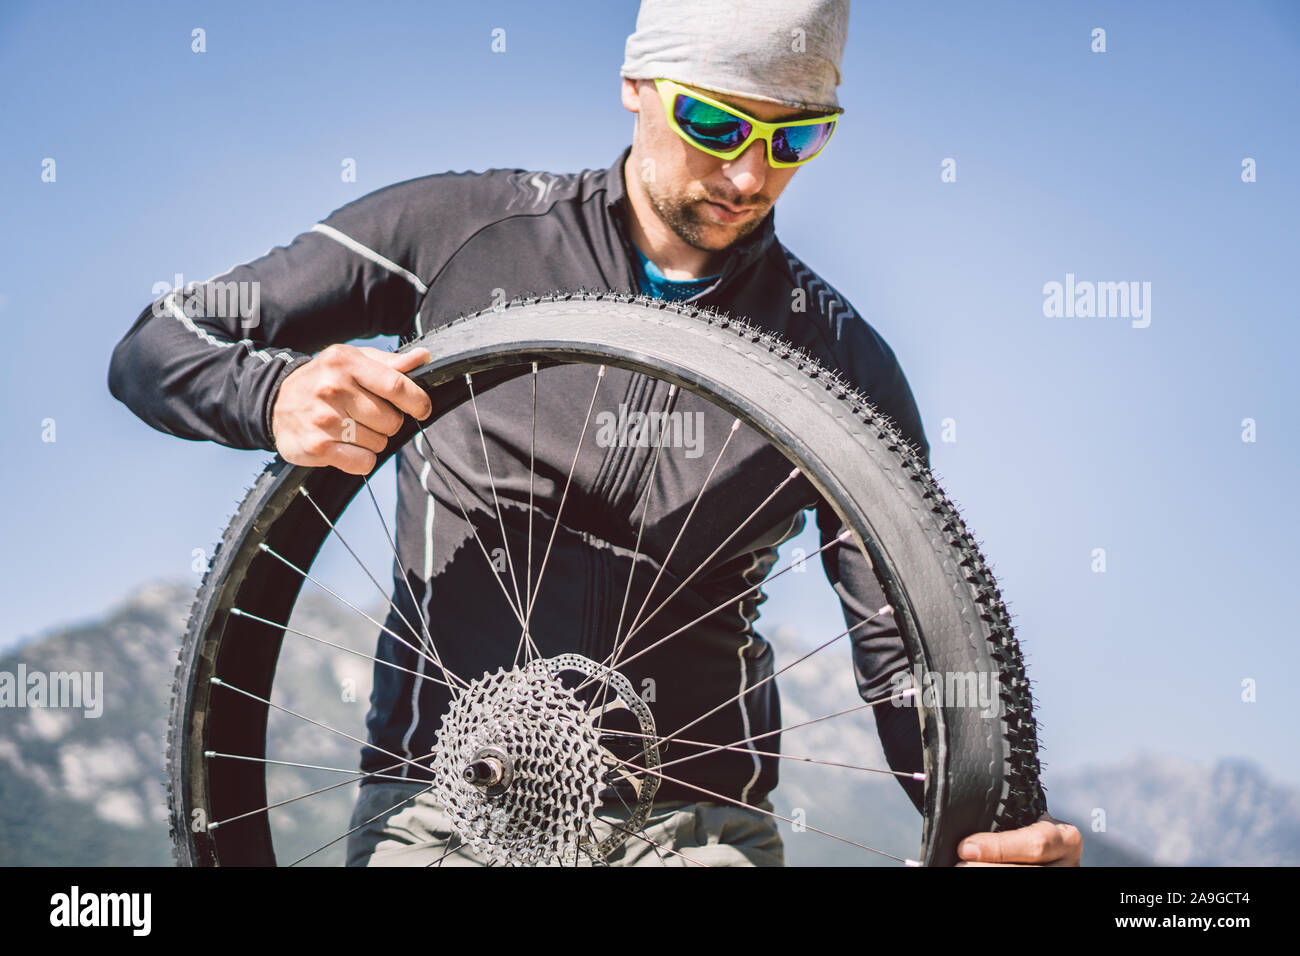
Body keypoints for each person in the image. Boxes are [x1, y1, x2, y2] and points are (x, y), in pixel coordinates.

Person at [108, 0, 1081, 867]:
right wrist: (274, 397)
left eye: (796, 139)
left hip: (694, 830)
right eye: (713, 121)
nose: (748, 174)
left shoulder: (842, 362)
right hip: (449, 803)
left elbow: (908, 641)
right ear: (636, 83)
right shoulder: (457, 231)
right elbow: (157, 346)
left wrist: (993, 821)